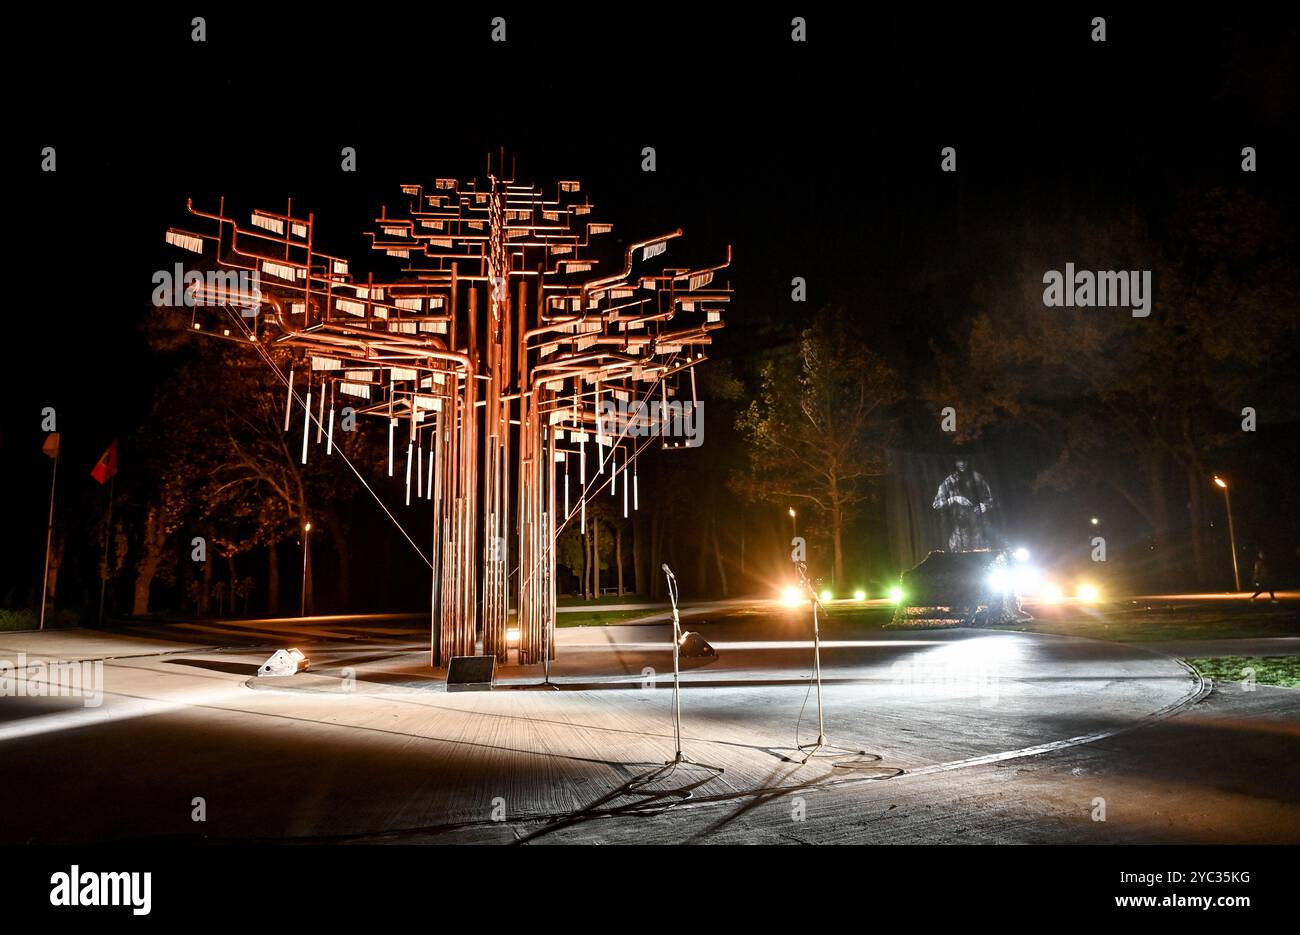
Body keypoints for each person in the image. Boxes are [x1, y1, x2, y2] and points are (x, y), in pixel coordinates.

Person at [932, 458, 994, 551]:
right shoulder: (949, 481)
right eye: (959, 460)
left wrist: (985, 505)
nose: (962, 463)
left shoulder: (979, 478)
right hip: (960, 532)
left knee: (982, 555)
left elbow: (991, 499)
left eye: (964, 460)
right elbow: (936, 504)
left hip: (978, 530)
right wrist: (954, 499)